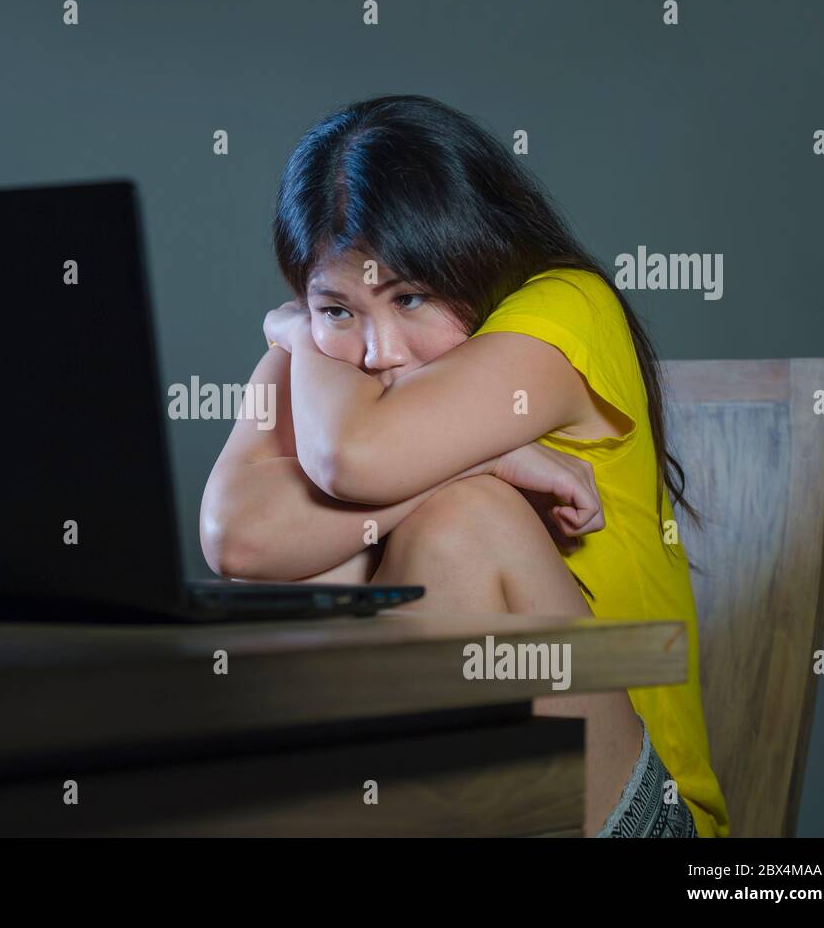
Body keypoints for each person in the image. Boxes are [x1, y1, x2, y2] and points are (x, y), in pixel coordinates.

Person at [199, 94, 729, 838]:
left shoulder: (566, 309)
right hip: (441, 802)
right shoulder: (330, 366)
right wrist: (477, 459)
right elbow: (238, 539)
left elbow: (356, 457)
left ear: (475, 252)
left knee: (468, 519)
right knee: (328, 559)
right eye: (338, 307)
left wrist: (295, 330)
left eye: (411, 296)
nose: (380, 349)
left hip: (633, 818)